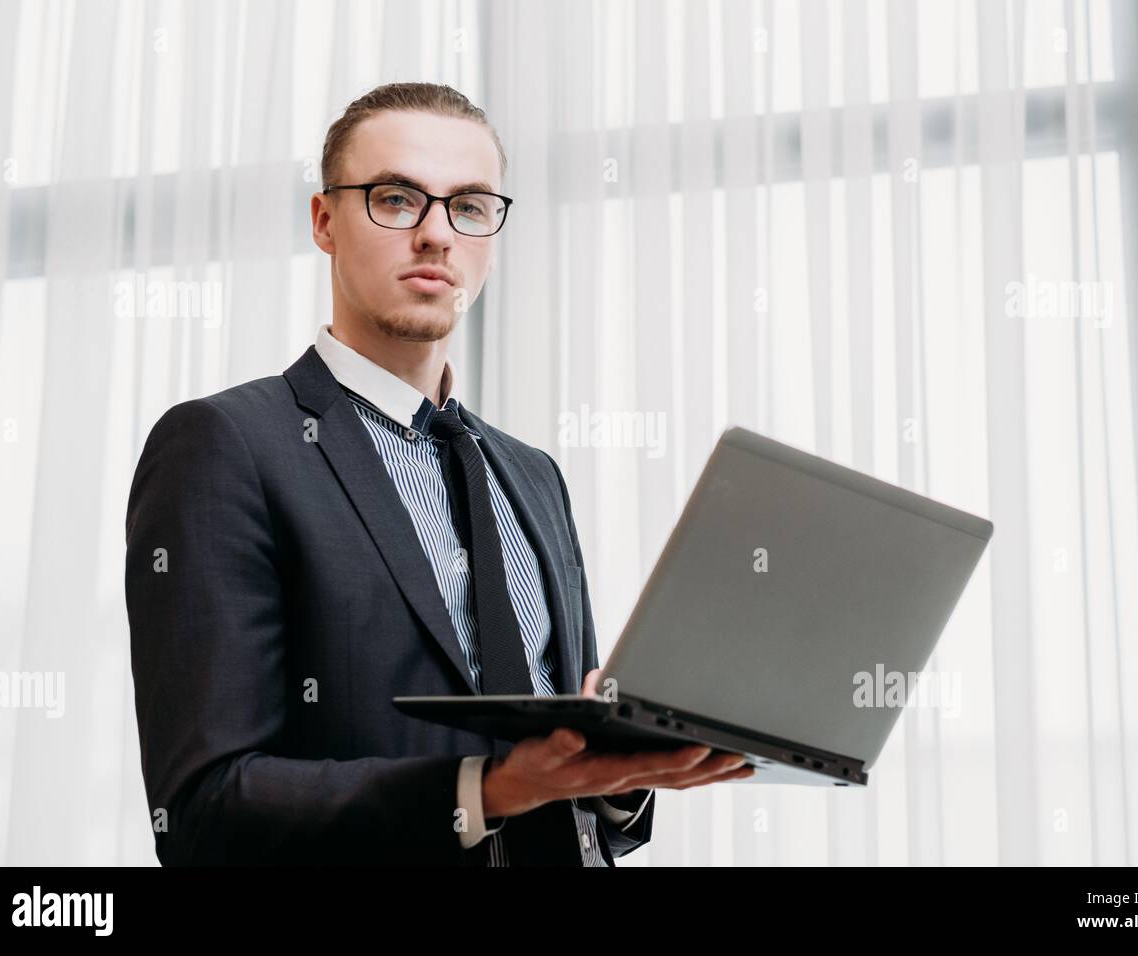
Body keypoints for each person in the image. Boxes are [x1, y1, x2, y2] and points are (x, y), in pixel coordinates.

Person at [124, 81, 753, 866]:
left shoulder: (532, 476)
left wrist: (619, 778)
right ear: (325, 220)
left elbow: (575, 798)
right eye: (396, 199)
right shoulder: (226, 445)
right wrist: (485, 792)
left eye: (471, 205)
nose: (436, 235)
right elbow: (205, 812)